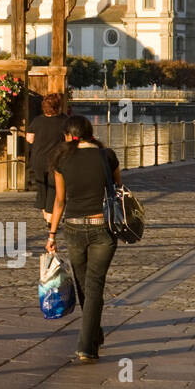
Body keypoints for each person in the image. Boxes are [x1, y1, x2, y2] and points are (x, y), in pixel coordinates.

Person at [46, 114, 122, 363]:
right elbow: (119, 190)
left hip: (74, 227)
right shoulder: (106, 156)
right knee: (94, 285)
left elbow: (60, 200)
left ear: (68, 135)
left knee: (84, 285)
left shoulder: (61, 159)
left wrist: (52, 234)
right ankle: (92, 336)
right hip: (103, 226)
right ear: (90, 133)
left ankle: (86, 345)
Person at [25, 93, 66, 226]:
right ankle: (50, 218)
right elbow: (68, 139)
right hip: (56, 160)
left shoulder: (37, 121)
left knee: (42, 187)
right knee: (53, 188)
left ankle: (46, 216)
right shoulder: (64, 120)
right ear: (58, 106)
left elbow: (29, 139)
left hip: (38, 159)